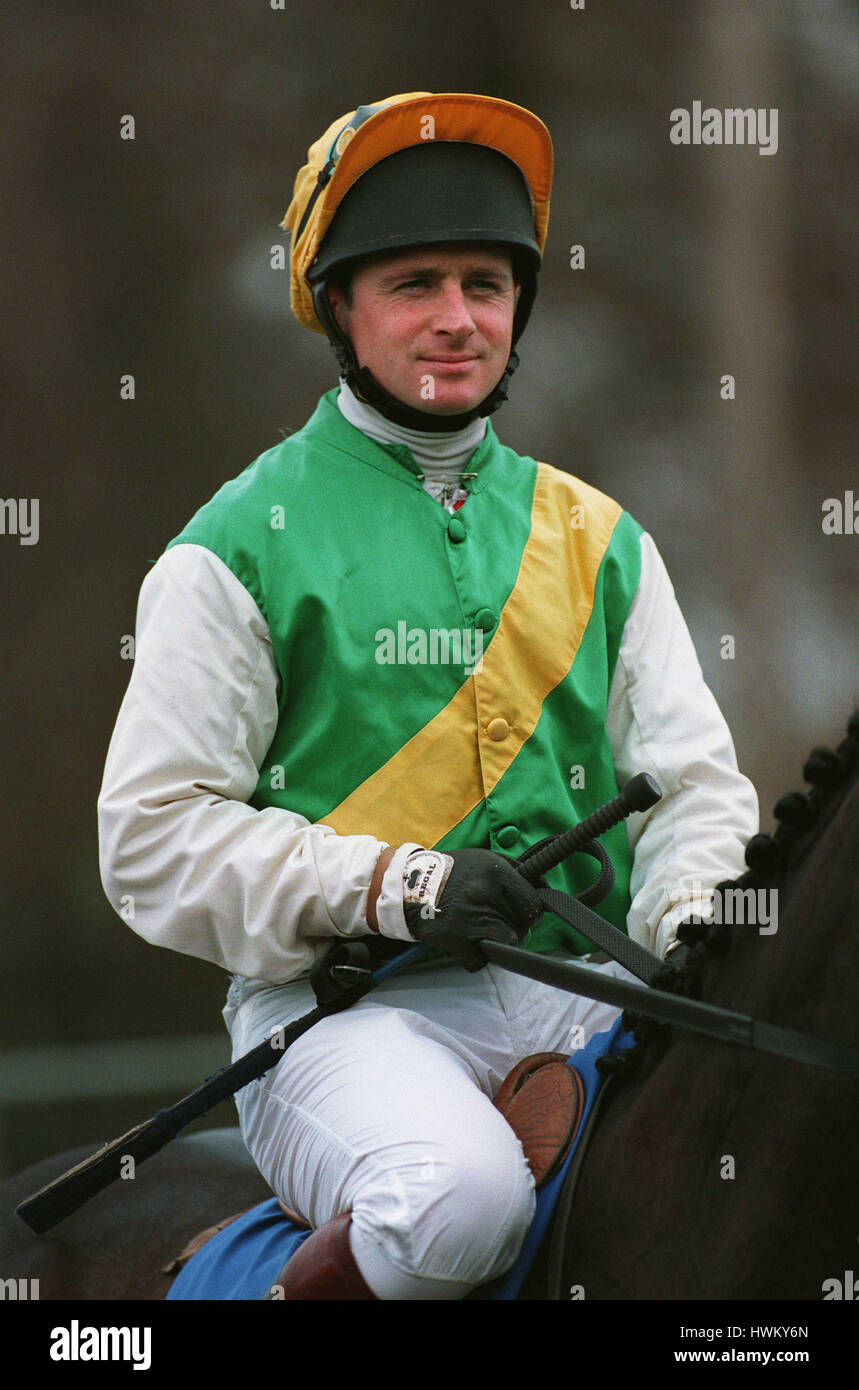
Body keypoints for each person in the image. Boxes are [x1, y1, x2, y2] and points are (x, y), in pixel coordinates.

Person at [98, 91, 759, 1300]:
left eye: (486, 285)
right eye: (414, 285)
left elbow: (697, 792)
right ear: (341, 312)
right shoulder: (233, 547)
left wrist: (694, 944)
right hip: (347, 1019)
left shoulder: (602, 537)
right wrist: (394, 886)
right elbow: (149, 844)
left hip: (583, 993)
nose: (458, 321)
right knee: (460, 1203)